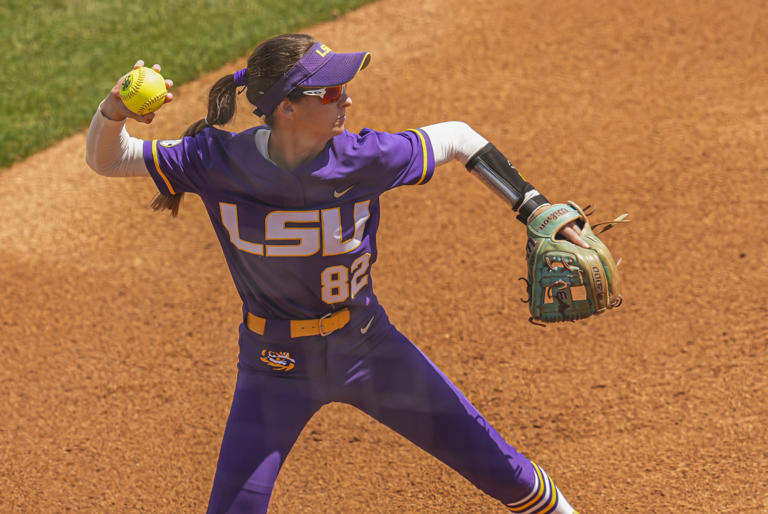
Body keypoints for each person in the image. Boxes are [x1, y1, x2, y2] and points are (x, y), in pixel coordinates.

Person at [86, 33, 585, 514]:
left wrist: (532, 205)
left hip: (369, 348)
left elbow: (457, 136)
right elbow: (110, 160)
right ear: (286, 107)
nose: (347, 100)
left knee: (504, 472)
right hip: (273, 367)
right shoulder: (216, 160)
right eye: (331, 91)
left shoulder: (364, 156)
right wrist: (114, 110)